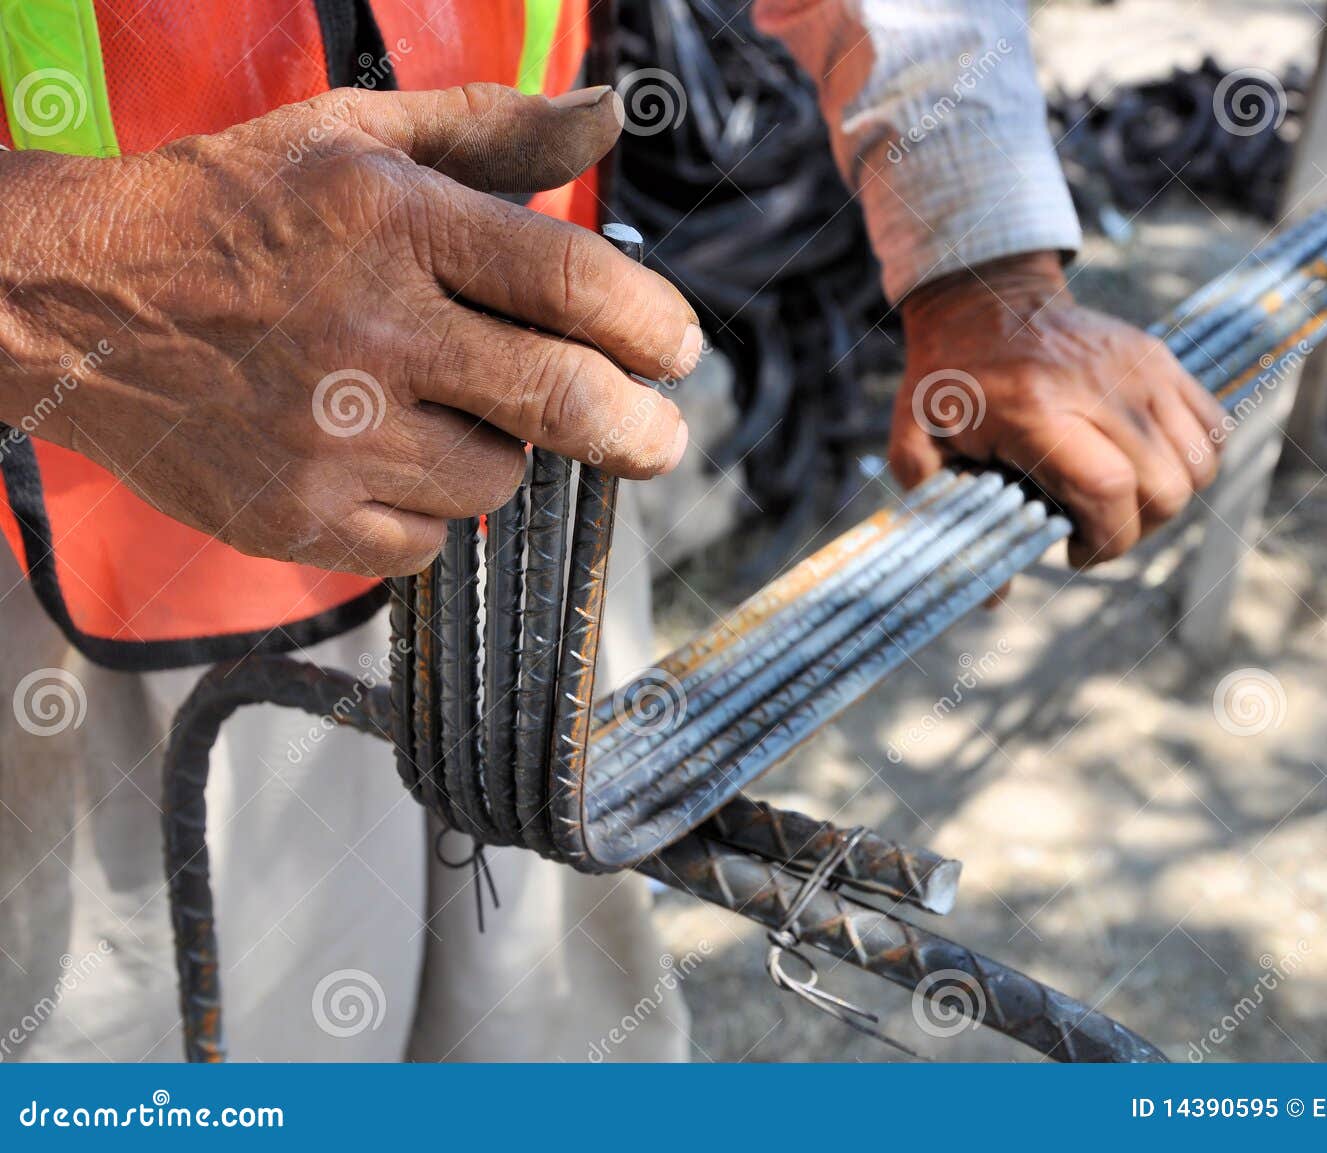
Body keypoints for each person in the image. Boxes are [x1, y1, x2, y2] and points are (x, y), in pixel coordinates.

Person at [0, 0, 1224, 1060]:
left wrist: (979, 257)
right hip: (70, 570)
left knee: (559, 1033)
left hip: (534, 511)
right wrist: (59, 287)